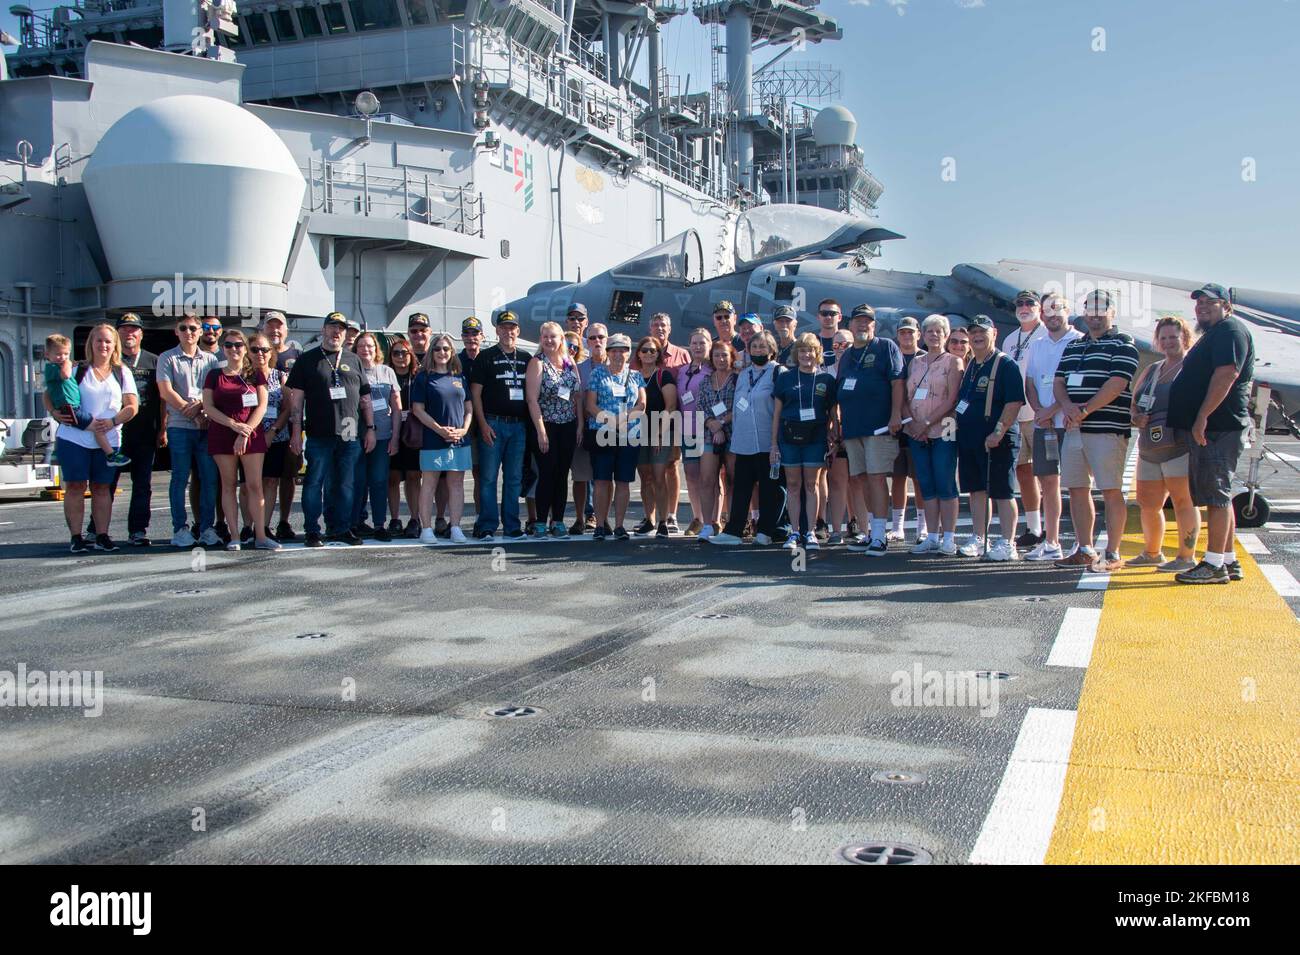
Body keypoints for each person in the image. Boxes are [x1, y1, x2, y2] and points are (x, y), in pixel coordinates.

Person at [1167, 283, 1256, 584]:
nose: (1202, 306)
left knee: (1216, 497)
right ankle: (1228, 560)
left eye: (1210, 302)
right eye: (1198, 302)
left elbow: (1226, 374)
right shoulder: (1216, 333)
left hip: (1218, 427)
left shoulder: (1230, 331)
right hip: (1215, 426)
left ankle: (1214, 564)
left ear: (1226, 305)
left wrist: (1202, 416)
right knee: (1221, 496)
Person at [1052, 289, 1139, 572]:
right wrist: (1067, 407)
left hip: (1106, 428)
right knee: (1077, 489)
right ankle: (1085, 548)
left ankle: (1112, 552)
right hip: (1074, 428)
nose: (1095, 315)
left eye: (1101, 310)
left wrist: (1084, 410)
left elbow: (1117, 383)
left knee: (1111, 490)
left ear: (1112, 313)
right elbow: (1059, 381)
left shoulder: (1124, 344)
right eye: (1090, 309)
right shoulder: (1074, 345)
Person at [286, 311, 375, 547]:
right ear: (324, 329)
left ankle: (341, 528)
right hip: (319, 432)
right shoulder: (308, 359)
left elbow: (365, 398)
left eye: (341, 329)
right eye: (333, 327)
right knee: (315, 482)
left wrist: (371, 428)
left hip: (349, 431)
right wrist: (296, 432)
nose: (337, 332)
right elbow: (296, 402)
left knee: (346, 484)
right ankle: (312, 530)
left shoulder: (353, 359)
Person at [47, 324, 138, 553]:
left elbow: (132, 406)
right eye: (99, 340)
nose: (103, 345)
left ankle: (102, 535)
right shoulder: (77, 369)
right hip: (75, 438)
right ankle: (76, 537)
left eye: (108, 341)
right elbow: (48, 393)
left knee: (101, 488)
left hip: (108, 438)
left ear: (114, 344)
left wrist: (113, 421)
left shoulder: (122, 372)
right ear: (91, 343)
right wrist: (54, 413)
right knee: (76, 486)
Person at [1129, 316, 1199, 572]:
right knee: (1148, 504)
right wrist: (1136, 416)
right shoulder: (1152, 369)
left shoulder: (1192, 367)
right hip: (1149, 447)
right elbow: (1134, 401)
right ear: (1157, 341)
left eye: (1174, 337)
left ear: (1185, 339)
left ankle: (1185, 556)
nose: (1169, 342)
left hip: (1180, 447)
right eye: (1164, 338)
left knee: (1183, 502)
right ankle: (1151, 552)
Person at [954, 315, 1025, 561]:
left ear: (994, 332)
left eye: (982, 332)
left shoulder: (1005, 365)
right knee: (976, 490)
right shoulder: (972, 364)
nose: (977, 336)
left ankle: (1008, 543)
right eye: (973, 332)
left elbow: (1014, 401)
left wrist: (998, 432)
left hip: (997, 440)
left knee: (1002, 492)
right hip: (971, 439)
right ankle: (979, 537)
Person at [202, 329, 278, 551]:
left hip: (251, 435)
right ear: (223, 348)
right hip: (223, 433)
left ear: (245, 348)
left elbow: (262, 406)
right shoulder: (214, 375)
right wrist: (233, 425)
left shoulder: (255, 374)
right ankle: (234, 536)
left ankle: (261, 536)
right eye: (228, 345)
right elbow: (208, 407)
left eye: (238, 345)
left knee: (255, 486)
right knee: (228, 485)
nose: (233, 349)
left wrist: (244, 432)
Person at [838, 304, 904, 556]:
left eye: (868, 321)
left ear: (874, 325)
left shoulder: (885, 347)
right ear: (851, 326)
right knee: (861, 478)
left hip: (879, 426)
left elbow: (897, 382)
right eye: (858, 321)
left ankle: (879, 535)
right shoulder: (846, 356)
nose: (863, 325)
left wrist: (896, 414)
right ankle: (868, 532)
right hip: (854, 428)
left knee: (877, 477)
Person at [1021, 291, 1082, 562]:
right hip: (1043, 425)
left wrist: (1052, 410)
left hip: (1069, 423)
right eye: (1048, 310)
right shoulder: (1038, 344)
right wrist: (1038, 411)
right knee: (1048, 484)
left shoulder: (1079, 341)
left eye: (1059, 308)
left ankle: (1083, 544)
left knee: (1078, 484)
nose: (1053, 314)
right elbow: (1031, 382)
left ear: (1068, 311)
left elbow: (1075, 384)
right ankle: (1052, 541)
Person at [711, 331, 784, 546]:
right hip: (743, 442)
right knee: (741, 486)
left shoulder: (779, 372)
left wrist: (775, 442)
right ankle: (734, 531)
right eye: (754, 347)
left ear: (771, 350)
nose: (758, 350)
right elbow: (737, 405)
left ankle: (766, 531)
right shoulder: (743, 374)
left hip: (767, 441)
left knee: (770, 488)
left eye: (763, 346)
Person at [94, 313, 162, 545]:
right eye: (123, 329)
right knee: (106, 483)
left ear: (141, 333)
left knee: (142, 484)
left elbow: (162, 399)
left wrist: (162, 429)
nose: (129, 333)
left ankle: (138, 530)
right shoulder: (109, 363)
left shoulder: (154, 361)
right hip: (114, 434)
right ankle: (97, 529)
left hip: (144, 432)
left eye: (134, 329)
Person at [157, 313, 222, 547]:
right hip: (179, 427)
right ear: (176, 331)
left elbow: (215, 393)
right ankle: (180, 529)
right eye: (183, 328)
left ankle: (206, 528)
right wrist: (190, 411)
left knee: (209, 479)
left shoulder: (211, 360)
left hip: (206, 426)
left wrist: (203, 410)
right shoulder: (167, 358)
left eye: (194, 328)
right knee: (180, 478)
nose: (189, 332)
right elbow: (166, 391)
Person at [771, 333, 838, 551]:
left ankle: (810, 531)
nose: (806, 354)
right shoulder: (785, 378)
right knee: (792, 485)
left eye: (810, 350)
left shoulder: (826, 379)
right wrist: (774, 444)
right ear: (796, 354)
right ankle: (795, 531)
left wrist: (834, 436)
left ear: (817, 352)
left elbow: (833, 413)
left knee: (812, 484)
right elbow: (777, 414)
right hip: (789, 438)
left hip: (815, 439)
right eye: (802, 350)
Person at [470, 311, 533, 540]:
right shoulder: (485, 357)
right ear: (497, 330)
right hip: (493, 423)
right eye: (504, 327)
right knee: (488, 477)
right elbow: (475, 394)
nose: (508, 331)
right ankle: (487, 525)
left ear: (518, 330)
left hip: (518, 426)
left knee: (514, 478)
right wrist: (483, 424)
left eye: (512, 327)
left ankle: (512, 526)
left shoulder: (527, 358)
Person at [905, 315, 964, 555]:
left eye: (939, 331)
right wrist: (914, 424)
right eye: (929, 330)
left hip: (944, 429)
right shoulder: (915, 362)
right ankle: (931, 536)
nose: (934, 335)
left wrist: (928, 422)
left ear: (946, 334)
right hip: (917, 432)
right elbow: (907, 396)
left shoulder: (953, 362)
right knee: (926, 483)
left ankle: (949, 537)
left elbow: (952, 399)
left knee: (945, 481)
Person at [1002, 290, 1051, 551]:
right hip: (1017, 414)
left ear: (1039, 308)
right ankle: (1034, 528)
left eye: (1029, 303)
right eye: (1019, 304)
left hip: (1041, 414)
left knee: (1047, 474)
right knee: (1023, 472)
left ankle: (1051, 530)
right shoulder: (1010, 339)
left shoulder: (1047, 335)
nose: (1024, 307)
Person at [413, 334, 473, 544]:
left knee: (456, 484)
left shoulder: (459, 378)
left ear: (451, 352)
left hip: (458, 440)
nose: (442, 353)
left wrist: (464, 430)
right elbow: (418, 410)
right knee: (429, 483)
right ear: (432, 351)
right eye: (437, 349)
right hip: (433, 439)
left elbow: (469, 408)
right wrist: (439, 429)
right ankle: (427, 529)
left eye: (446, 349)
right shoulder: (423, 378)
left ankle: (455, 526)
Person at [586, 333, 645, 540]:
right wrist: (609, 420)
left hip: (629, 434)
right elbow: (590, 405)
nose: (619, 354)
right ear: (608, 352)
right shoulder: (597, 374)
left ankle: (620, 526)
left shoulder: (636, 375)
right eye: (615, 349)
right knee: (601, 480)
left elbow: (642, 404)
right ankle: (600, 525)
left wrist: (624, 418)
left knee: (623, 481)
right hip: (602, 431)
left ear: (629, 353)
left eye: (624, 350)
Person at [526, 322, 581, 538]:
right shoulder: (537, 363)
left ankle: (557, 521)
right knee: (547, 473)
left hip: (567, 425)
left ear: (561, 340)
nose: (549, 340)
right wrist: (541, 431)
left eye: (553, 337)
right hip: (546, 424)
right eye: (545, 336)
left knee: (562, 474)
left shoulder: (570, 364)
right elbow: (532, 400)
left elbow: (577, 397)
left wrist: (580, 426)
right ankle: (540, 521)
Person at [44, 334, 129, 468]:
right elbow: (65, 375)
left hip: (75, 407)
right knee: (98, 427)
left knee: (96, 428)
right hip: (72, 409)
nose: (63, 358)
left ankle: (57, 452)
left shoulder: (61, 366)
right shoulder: (53, 368)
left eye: (66, 354)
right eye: (58, 354)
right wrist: (68, 363)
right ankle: (111, 455)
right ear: (47, 355)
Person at [351, 332, 401, 540]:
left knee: (379, 481)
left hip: (383, 436)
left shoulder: (387, 372)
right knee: (357, 481)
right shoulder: (352, 370)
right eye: (361, 346)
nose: (366, 349)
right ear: (355, 349)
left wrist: (395, 437)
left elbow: (397, 408)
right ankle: (355, 523)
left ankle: (379, 524)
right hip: (356, 435)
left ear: (376, 349)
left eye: (370, 346)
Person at [631, 335, 678, 537]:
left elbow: (671, 406)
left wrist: (659, 433)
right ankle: (648, 519)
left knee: (659, 476)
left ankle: (663, 521)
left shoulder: (664, 376)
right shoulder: (632, 376)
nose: (648, 353)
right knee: (645, 477)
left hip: (662, 432)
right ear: (638, 354)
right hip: (638, 431)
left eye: (653, 350)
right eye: (645, 350)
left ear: (658, 354)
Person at [261, 311, 302, 541]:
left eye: (279, 327)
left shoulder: (296, 354)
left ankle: (284, 521)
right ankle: (259, 523)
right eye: (270, 326)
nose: (275, 331)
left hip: (290, 424)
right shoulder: (255, 354)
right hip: (261, 428)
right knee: (264, 478)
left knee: (289, 475)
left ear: (286, 330)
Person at [249, 332, 290, 543]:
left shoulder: (279, 376)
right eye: (255, 349)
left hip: (275, 436)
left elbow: (286, 408)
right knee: (250, 483)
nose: (260, 354)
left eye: (264, 349)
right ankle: (247, 527)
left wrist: (273, 431)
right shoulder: (242, 376)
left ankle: (263, 527)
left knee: (271, 481)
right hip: (249, 437)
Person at [889, 316, 926, 542]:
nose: (906, 336)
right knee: (898, 476)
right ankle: (898, 526)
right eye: (903, 332)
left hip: (920, 423)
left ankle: (922, 526)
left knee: (919, 476)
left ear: (918, 334)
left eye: (910, 332)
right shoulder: (892, 357)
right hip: (896, 424)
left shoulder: (925, 358)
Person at [696, 339, 738, 540]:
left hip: (734, 435)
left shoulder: (738, 380)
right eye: (716, 355)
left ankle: (732, 522)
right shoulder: (706, 381)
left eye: (724, 355)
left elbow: (742, 406)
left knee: (732, 480)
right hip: (709, 434)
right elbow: (700, 407)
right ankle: (707, 525)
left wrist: (721, 422)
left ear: (731, 357)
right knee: (706, 480)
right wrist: (712, 424)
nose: (720, 359)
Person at [570, 323, 607, 535]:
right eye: (592, 338)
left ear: (607, 339)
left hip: (610, 431)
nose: (597, 342)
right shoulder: (579, 368)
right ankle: (578, 518)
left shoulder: (617, 365)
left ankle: (601, 518)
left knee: (604, 477)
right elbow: (577, 399)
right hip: (584, 429)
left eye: (601, 337)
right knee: (581, 477)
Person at [676, 328, 713, 537]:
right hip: (687, 428)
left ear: (709, 344)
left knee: (711, 476)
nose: (698, 347)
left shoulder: (714, 369)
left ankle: (715, 518)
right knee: (691, 475)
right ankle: (697, 517)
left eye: (702, 343)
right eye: (695, 343)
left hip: (707, 428)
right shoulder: (682, 371)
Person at [386, 335, 423, 536]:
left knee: (413, 475)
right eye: (396, 353)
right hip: (391, 431)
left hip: (412, 432)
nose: (400, 357)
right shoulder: (385, 376)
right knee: (392, 477)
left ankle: (414, 519)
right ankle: (394, 519)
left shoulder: (418, 377)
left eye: (404, 353)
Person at [454, 316, 487, 524]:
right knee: (458, 474)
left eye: (475, 333)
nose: (471, 338)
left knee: (483, 474)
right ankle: (460, 518)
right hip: (461, 423)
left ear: (482, 336)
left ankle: (482, 516)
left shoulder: (488, 359)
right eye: (467, 334)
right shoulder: (455, 362)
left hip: (484, 421)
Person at [824, 329, 855, 542]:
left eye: (845, 344)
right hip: (834, 436)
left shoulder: (860, 370)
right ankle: (836, 530)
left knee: (859, 482)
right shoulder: (825, 373)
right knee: (837, 481)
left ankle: (859, 525)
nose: (840, 349)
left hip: (857, 432)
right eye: (836, 345)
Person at [816, 299, 842, 367]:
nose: (828, 317)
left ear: (839, 317)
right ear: (818, 316)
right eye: (824, 313)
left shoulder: (847, 341)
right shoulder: (812, 342)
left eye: (832, 314)